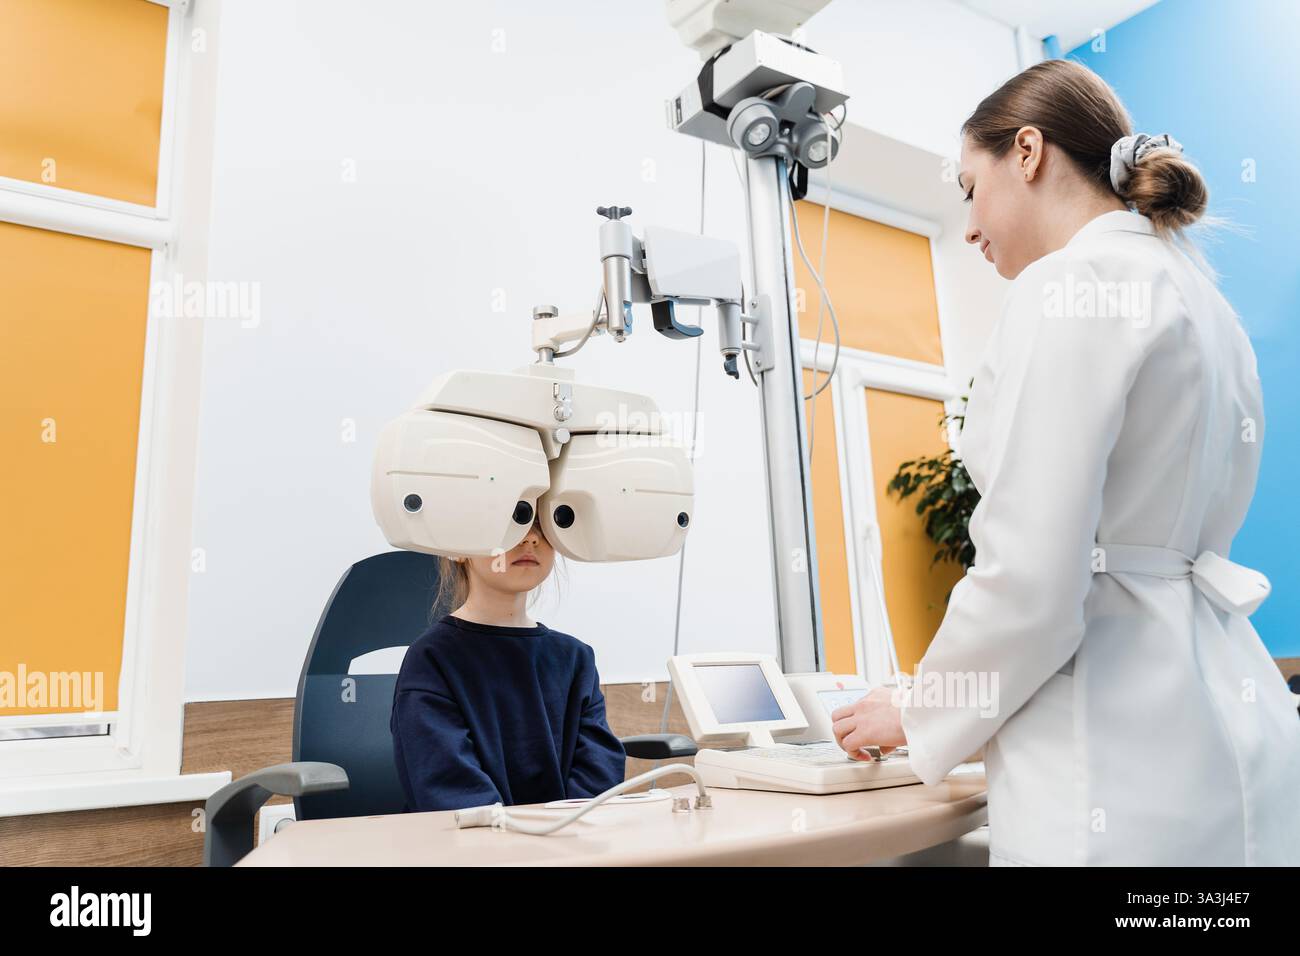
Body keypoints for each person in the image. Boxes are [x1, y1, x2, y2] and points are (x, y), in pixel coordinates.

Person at [830, 58, 1300, 865]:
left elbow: (1033, 576)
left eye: (969, 190)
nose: (968, 227)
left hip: (1117, 755)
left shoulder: (1067, 287)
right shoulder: (1207, 303)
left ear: (1028, 151)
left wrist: (917, 710)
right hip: (1235, 726)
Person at [391, 518, 626, 812]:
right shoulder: (432, 659)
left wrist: (569, 824)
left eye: (543, 524)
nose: (531, 538)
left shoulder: (575, 658)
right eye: (511, 520)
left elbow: (599, 770)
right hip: (474, 838)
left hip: (568, 836)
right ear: (458, 549)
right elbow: (449, 788)